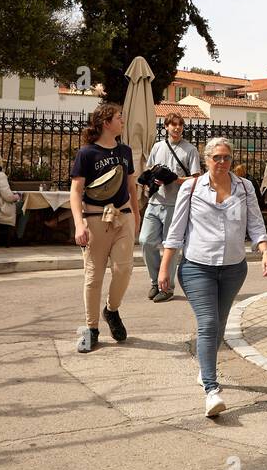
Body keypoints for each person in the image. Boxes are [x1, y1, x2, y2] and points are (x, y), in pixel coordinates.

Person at [159, 136, 267, 417]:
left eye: (226, 157)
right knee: (208, 322)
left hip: (234, 268)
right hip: (197, 266)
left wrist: (265, 251)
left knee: (219, 324)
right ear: (206, 160)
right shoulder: (192, 187)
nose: (222, 162)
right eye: (216, 158)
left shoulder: (245, 187)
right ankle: (211, 389)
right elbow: (175, 231)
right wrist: (165, 268)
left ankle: (204, 368)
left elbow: (256, 223)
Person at [69, 102, 139, 354]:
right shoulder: (87, 153)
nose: (123, 121)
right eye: (119, 117)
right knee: (93, 276)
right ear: (106, 123)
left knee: (124, 270)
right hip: (95, 218)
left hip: (123, 217)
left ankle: (111, 309)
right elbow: (76, 192)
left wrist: (136, 216)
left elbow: (132, 187)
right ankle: (91, 329)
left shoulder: (126, 151)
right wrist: (79, 224)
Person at [139, 113, 202, 303]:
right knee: (145, 241)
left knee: (170, 246)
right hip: (154, 202)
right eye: (173, 125)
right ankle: (155, 280)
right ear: (165, 127)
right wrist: (151, 182)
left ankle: (167, 288)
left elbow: (197, 179)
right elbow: (149, 170)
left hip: (176, 205)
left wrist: (175, 178)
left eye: (180, 125)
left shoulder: (190, 150)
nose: (177, 128)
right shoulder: (158, 147)